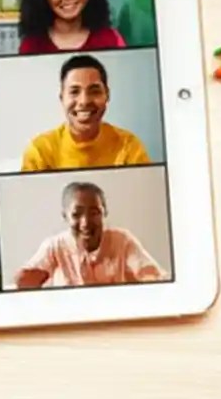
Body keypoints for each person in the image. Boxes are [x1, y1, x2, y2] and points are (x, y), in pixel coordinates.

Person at [15, 182, 166, 289]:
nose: (86, 223)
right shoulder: (54, 246)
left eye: (94, 213)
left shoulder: (122, 240)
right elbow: (25, 281)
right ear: (65, 216)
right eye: (76, 214)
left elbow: (154, 278)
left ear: (104, 213)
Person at [22, 55, 150, 171]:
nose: (84, 101)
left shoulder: (128, 146)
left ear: (107, 95)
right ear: (62, 98)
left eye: (94, 91)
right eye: (74, 91)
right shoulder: (40, 151)